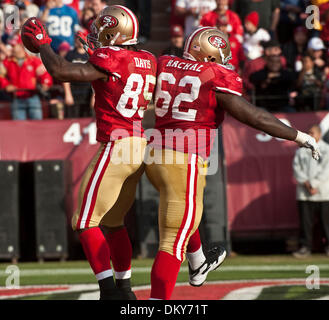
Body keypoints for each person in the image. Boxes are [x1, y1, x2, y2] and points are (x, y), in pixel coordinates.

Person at [145, 26, 320, 300]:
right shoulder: (214, 75)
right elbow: (255, 117)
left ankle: (199, 261)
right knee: (171, 242)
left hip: (154, 156)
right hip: (185, 159)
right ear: (211, 58)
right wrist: (298, 136)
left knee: (183, 216)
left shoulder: (166, 62)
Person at [22, 5, 157, 300]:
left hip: (118, 144)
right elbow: (113, 73)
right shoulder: (147, 59)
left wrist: (45, 46)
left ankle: (108, 291)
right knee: (113, 222)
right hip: (140, 144)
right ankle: (125, 289)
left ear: (112, 33)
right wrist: (96, 53)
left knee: (84, 222)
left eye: (101, 33)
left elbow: (60, 71)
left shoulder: (109, 57)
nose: (95, 37)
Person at [292, 124, 329, 258]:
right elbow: (296, 168)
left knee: (326, 222)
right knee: (305, 223)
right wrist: (306, 183)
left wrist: (314, 184)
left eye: (312, 133)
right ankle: (305, 247)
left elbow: (326, 170)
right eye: (308, 133)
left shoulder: (327, 149)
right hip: (304, 193)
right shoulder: (301, 151)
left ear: (319, 134)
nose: (310, 135)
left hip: (323, 192)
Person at [0, 34, 52, 120]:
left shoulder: (33, 61)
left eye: (13, 45)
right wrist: (6, 85)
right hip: (17, 98)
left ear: (20, 46)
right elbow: (1, 76)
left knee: (38, 126)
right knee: (18, 128)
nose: (11, 48)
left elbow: (44, 74)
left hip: (33, 97)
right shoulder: (7, 62)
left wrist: (45, 83)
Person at [64, 30, 94, 118]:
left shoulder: (92, 55)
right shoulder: (70, 55)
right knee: (72, 118)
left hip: (88, 92)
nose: (80, 41)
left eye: (82, 38)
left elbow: (96, 77)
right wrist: (67, 93)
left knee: (87, 119)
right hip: (74, 91)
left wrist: (94, 95)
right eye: (78, 38)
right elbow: (65, 75)